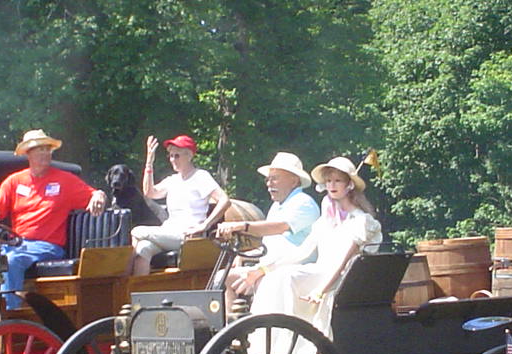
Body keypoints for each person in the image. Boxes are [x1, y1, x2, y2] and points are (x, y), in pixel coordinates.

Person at [248, 156, 382, 339]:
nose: (332, 185)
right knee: (275, 276)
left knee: (287, 278)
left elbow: (343, 263)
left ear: (349, 185)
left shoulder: (360, 221)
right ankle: (263, 337)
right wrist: (264, 268)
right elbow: (302, 251)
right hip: (319, 271)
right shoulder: (325, 221)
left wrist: (321, 290)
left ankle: (287, 339)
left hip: (341, 279)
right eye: (328, 181)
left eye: (337, 181)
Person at [0, 129, 106, 304]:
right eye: (40, 149)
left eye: (47, 149)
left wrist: (99, 196)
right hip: (16, 245)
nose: (45, 152)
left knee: (11, 261)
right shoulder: (14, 181)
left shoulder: (65, 180)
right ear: (28, 153)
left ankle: (10, 316)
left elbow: (95, 194)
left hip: (48, 247)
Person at [214, 152, 321, 302]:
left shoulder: (304, 203)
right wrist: (243, 255)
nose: (269, 183)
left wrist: (241, 226)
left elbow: (279, 227)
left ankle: (255, 323)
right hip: (271, 267)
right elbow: (270, 245)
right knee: (222, 277)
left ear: (294, 180)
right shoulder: (276, 206)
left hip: (294, 269)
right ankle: (230, 323)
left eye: (275, 178)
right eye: (268, 179)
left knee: (260, 280)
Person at [128, 134, 230, 276]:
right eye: (170, 156)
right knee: (142, 250)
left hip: (188, 236)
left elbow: (225, 200)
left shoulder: (201, 177)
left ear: (189, 156)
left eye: (177, 156)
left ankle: (122, 278)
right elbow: (149, 192)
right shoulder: (172, 180)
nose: (172, 160)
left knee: (137, 231)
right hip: (169, 232)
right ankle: (136, 294)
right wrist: (149, 162)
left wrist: (205, 225)